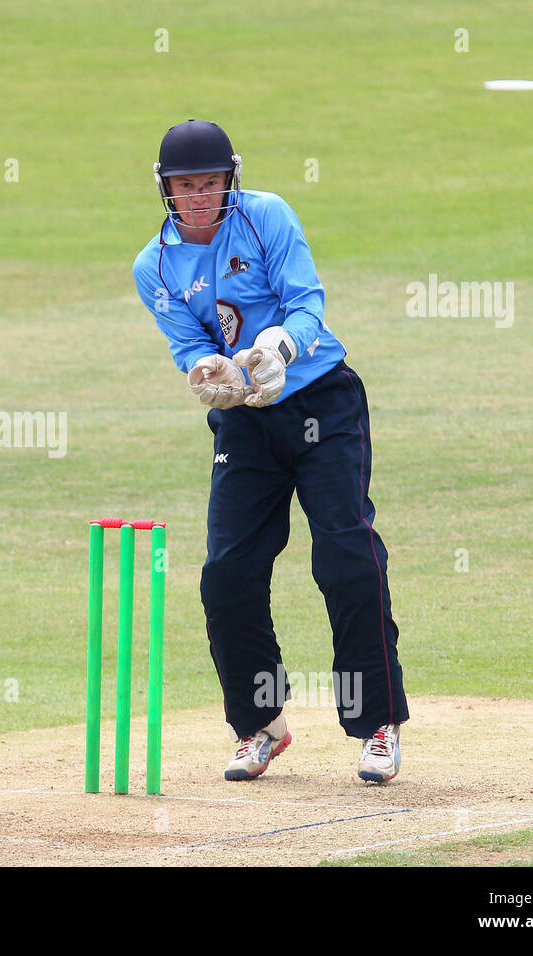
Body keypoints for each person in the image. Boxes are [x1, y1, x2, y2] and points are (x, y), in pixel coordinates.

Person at [132, 120, 409, 784]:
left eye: (210, 183)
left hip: (321, 402)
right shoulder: (155, 266)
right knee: (226, 574)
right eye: (185, 186)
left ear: (230, 180)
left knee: (343, 554)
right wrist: (214, 376)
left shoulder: (266, 217)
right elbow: (190, 345)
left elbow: (307, 305)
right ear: (165, 189)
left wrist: (278, 349)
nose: (199, 197)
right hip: (247, 426)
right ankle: (261, 725)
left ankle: (374, 722)